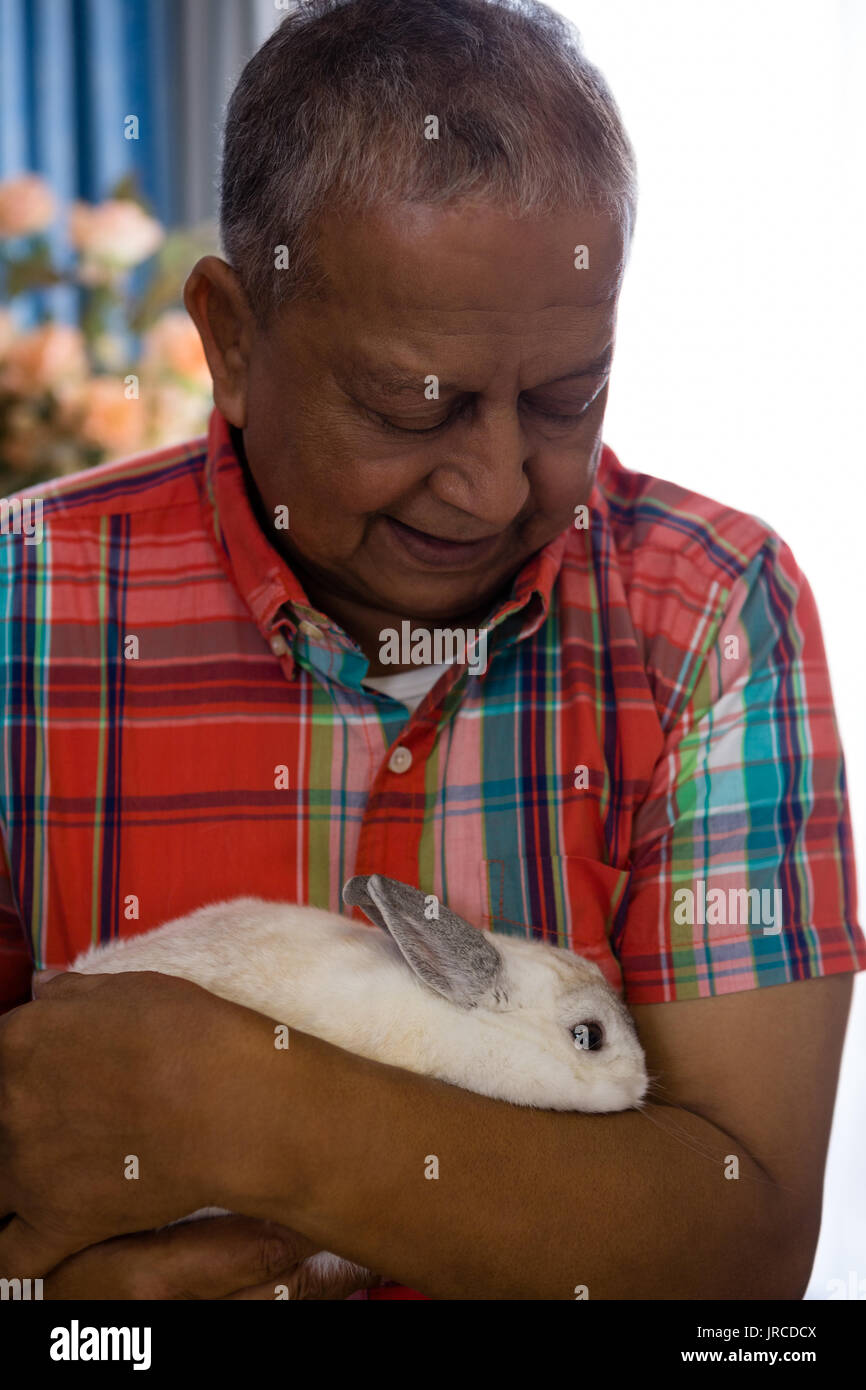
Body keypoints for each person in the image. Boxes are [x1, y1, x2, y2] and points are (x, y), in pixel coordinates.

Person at [0, 0, 862, 1301]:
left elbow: (737, 1250)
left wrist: (247, 1107)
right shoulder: (27, 607)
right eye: (415, 406)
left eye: (567, 395)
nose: (496, 486)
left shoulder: (711, 613)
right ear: (231, 339)